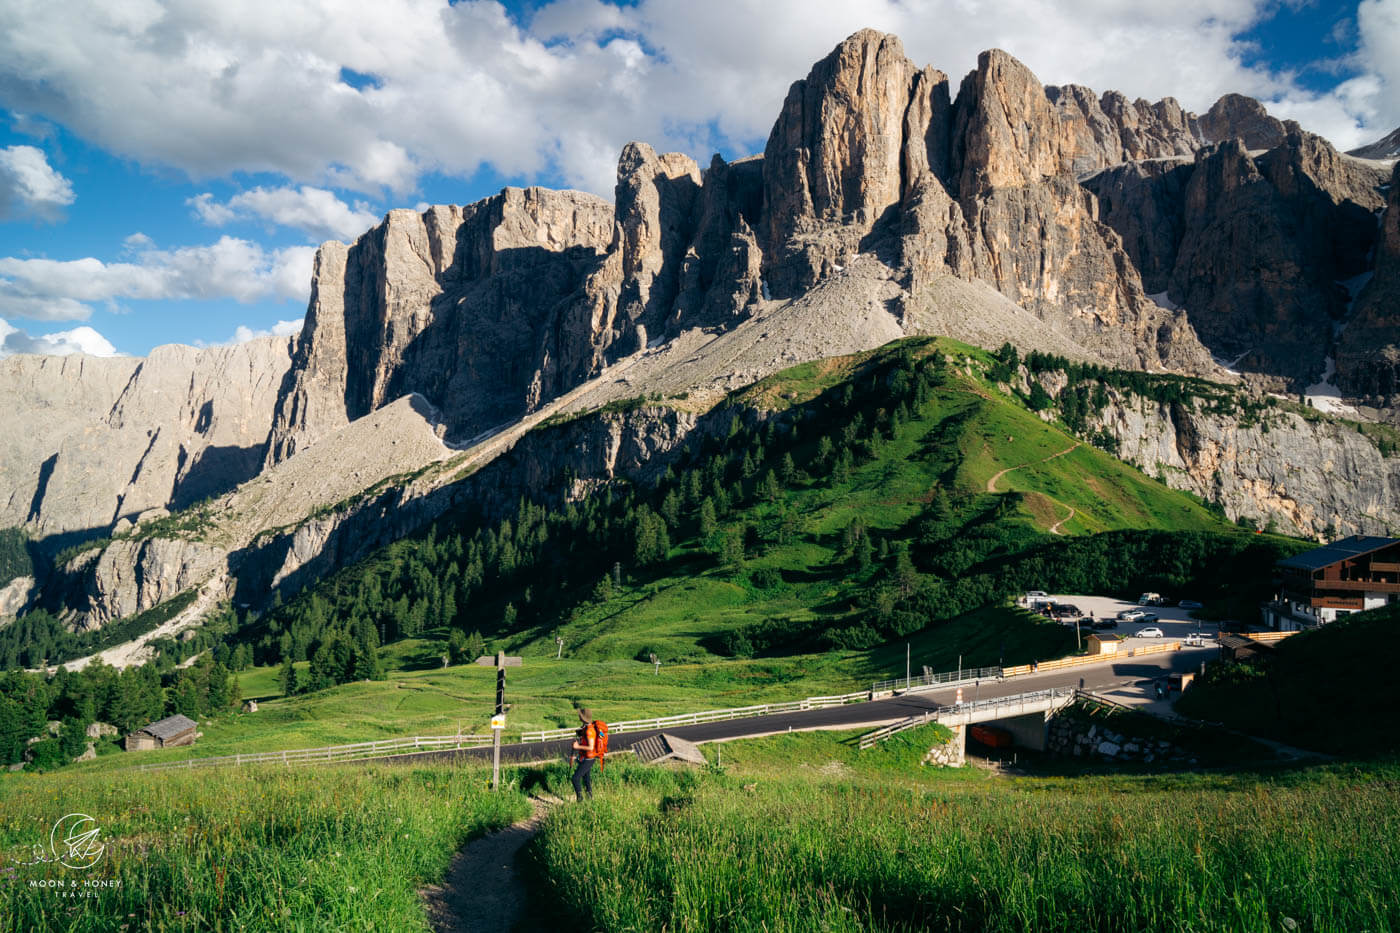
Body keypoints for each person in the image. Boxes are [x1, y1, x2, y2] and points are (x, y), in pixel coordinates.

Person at [570, 707, 598, 801]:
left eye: (580, 715)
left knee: (575, 778)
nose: (579, 716)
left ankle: (580, 800)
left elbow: (591, 747)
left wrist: (577, 747)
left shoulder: (589, 730)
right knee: (586, 779)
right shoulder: (586, 727)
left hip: (589, 758)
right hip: (587, 757)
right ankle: (590, 799)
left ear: (583, 717)